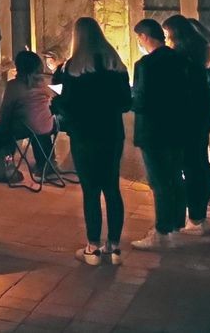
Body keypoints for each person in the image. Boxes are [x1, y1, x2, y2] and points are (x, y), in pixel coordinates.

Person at [52, 17, 131, 267]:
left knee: (90, 191)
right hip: (111, 133)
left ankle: (93, 246)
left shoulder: (71, 69)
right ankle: (115, 246)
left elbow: (60, 101)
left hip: (84, 135)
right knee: (112, 188)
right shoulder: (116, 66)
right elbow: (126, 102)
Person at [130, 19, 190, 251]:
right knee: (175, 176)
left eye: (139, 39)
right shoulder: (180, 59)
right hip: (177, 127)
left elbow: (141, 99)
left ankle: (162, 230)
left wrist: (131, 101)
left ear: (145, 37)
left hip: (153, 130)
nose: (140, 43)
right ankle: (176, 223)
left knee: (159, 180)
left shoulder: (146, 64)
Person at [163, 15, 210, 235]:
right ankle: (204, 207)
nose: (167, 39)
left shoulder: (183, 58)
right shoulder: (202, 50)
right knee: (200, 161)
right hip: (203, 112)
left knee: (192, 164)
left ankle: (196, 216)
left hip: (189, 116)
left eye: (168, 34)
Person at [0, 50, 57, 181]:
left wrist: (2, 123)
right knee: (37, 129)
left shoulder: (14, 85)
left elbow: (6, 110)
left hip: (28, 127)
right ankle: (45, 166)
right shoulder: (43, 83)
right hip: (47, 125)